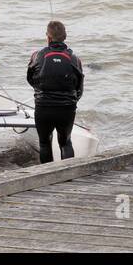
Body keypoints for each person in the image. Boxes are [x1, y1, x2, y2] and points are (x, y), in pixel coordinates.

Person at [26, 20, 84, 162]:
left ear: (48, 37)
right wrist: (72, 100)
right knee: (65, 142)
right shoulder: (75, 59)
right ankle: (69, 175)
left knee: (44, 143)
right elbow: (80, 87)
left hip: (43, 107)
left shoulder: (37, 55)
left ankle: (48, 178)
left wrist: (42, 92)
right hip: (67, 108)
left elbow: (30, 79)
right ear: (65, 37)